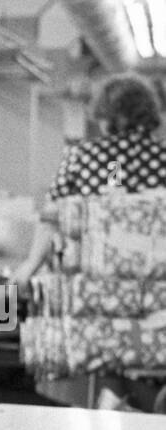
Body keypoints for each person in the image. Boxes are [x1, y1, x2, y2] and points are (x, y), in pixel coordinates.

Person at [13, 73, 166, 288]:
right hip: (157, 283)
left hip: (94, 287)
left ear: (106, 114)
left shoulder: (82, 156)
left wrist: (31, 264)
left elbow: (51, 217)